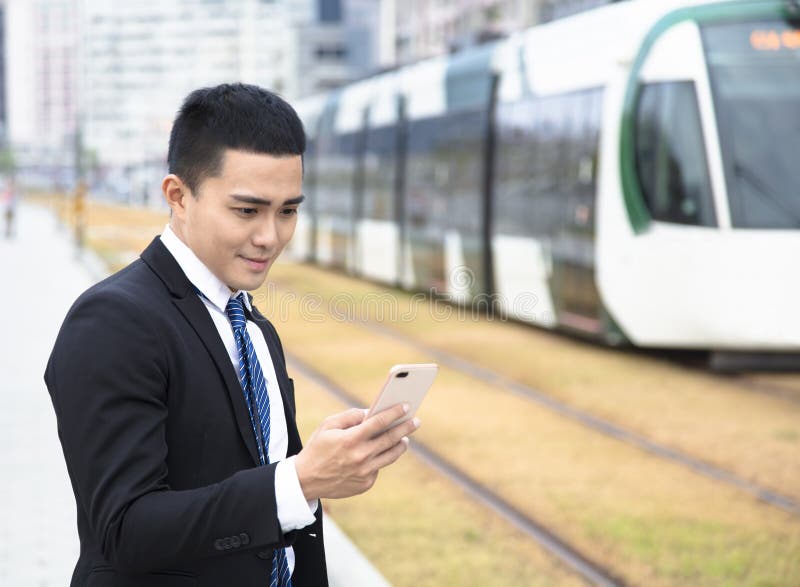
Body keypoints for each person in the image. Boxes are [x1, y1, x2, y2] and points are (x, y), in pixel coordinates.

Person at [45, 83, 420, 587]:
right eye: (247, 210)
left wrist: (316, 467)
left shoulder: (253, 325)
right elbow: (126, 532)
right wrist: (298, 480)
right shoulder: (111, 321)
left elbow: (256, 495)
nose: (270, 236)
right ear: (178, 196)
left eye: (287, 211)